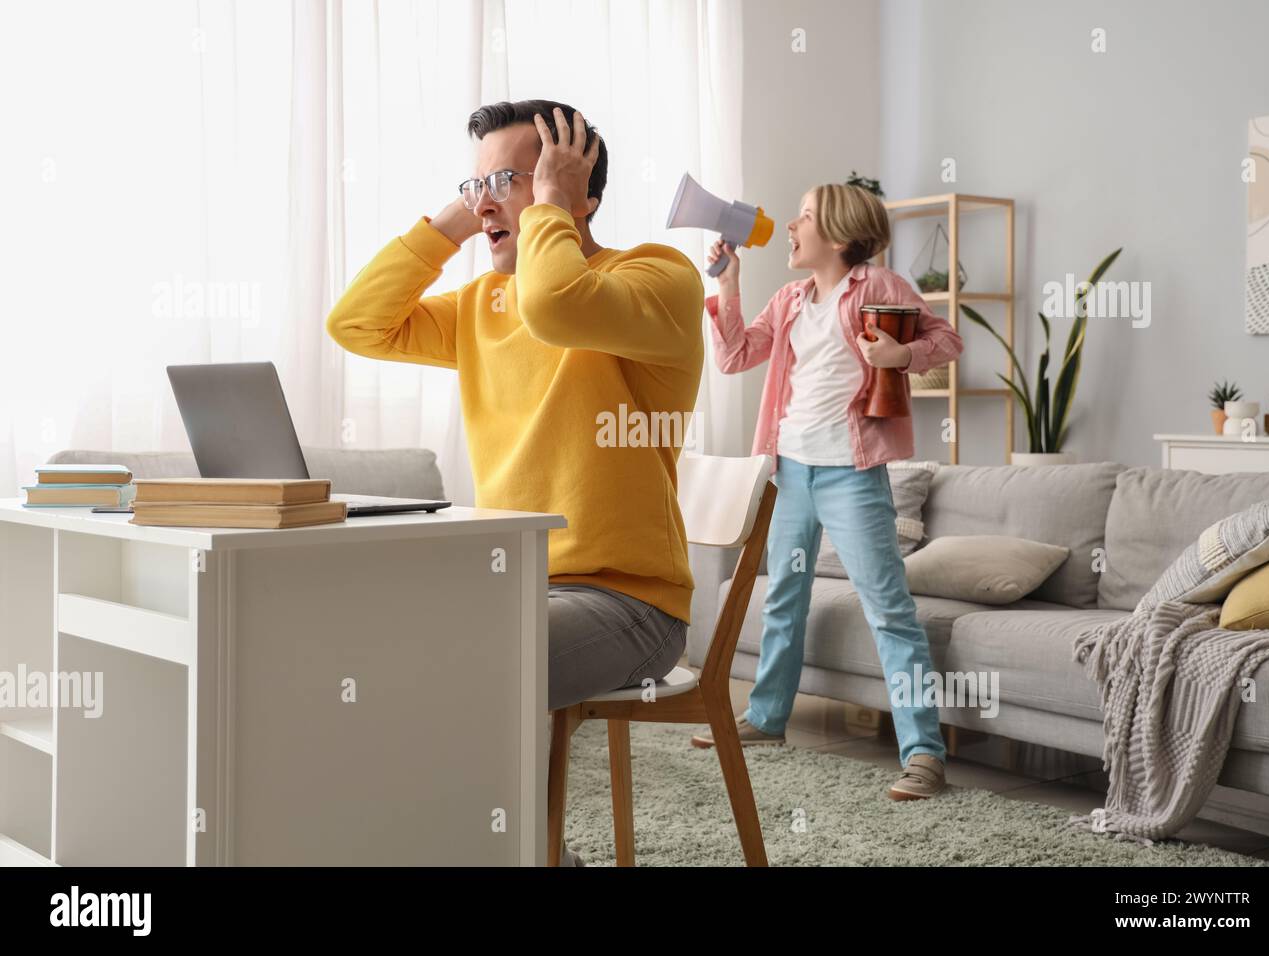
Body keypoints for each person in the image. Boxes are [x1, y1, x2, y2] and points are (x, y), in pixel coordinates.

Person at [326, 99, 704, 858]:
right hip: (513, 586)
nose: (489, 197)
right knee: (368, 651)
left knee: (461, 676)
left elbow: (559, 304)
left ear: (581, 191)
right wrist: (456, 222)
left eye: (513, 177)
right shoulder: (483, 306)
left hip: (627, 603)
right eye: (478, 182)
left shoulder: (658, 279)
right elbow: (355, 323)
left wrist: (551, 205)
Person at [690, 182, 962, 801]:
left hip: (851, 473)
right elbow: (735, 357)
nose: (790, 224)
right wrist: (727, 285)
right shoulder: (789, 299)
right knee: (784, 597)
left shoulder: (881, 287)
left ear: (839, 236)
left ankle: (924, 755)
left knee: (889, 611)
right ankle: (766, 719)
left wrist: (901, 354)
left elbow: (947, 342)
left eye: (804, 216)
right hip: (792, 472)